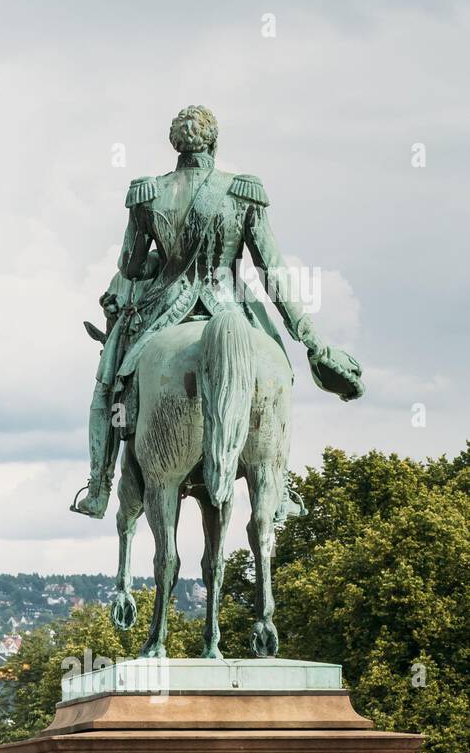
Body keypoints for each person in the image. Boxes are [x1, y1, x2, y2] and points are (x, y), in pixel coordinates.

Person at [71, 104, 362, 518]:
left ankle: (98, 488)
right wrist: (312, 341)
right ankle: (279, 485)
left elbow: (131, 267)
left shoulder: (147, 194)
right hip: (231, 303)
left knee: (106, 386)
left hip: (164, 312)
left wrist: (156, 263)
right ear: (215, 142)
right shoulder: (242, 192)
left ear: (176, 146)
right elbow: (272, 271)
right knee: (278, 371)